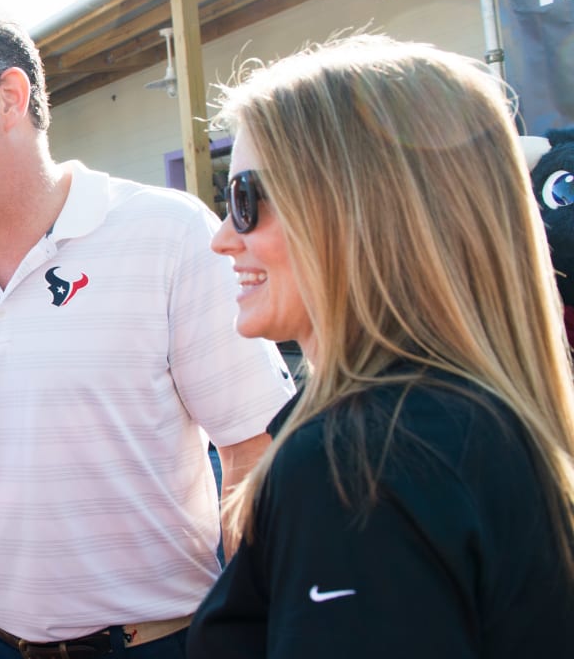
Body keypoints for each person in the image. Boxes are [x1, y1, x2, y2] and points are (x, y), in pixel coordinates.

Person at [0, 0, 295, 658]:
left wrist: (252, 627)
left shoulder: (169, 233)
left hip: (150, 644)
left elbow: (250, 450)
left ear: (11, 97)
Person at [190, 36, 574, 657]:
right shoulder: (473, 420)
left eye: (243, 201)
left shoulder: (359, 464)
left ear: (355, 209)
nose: (222, 240)